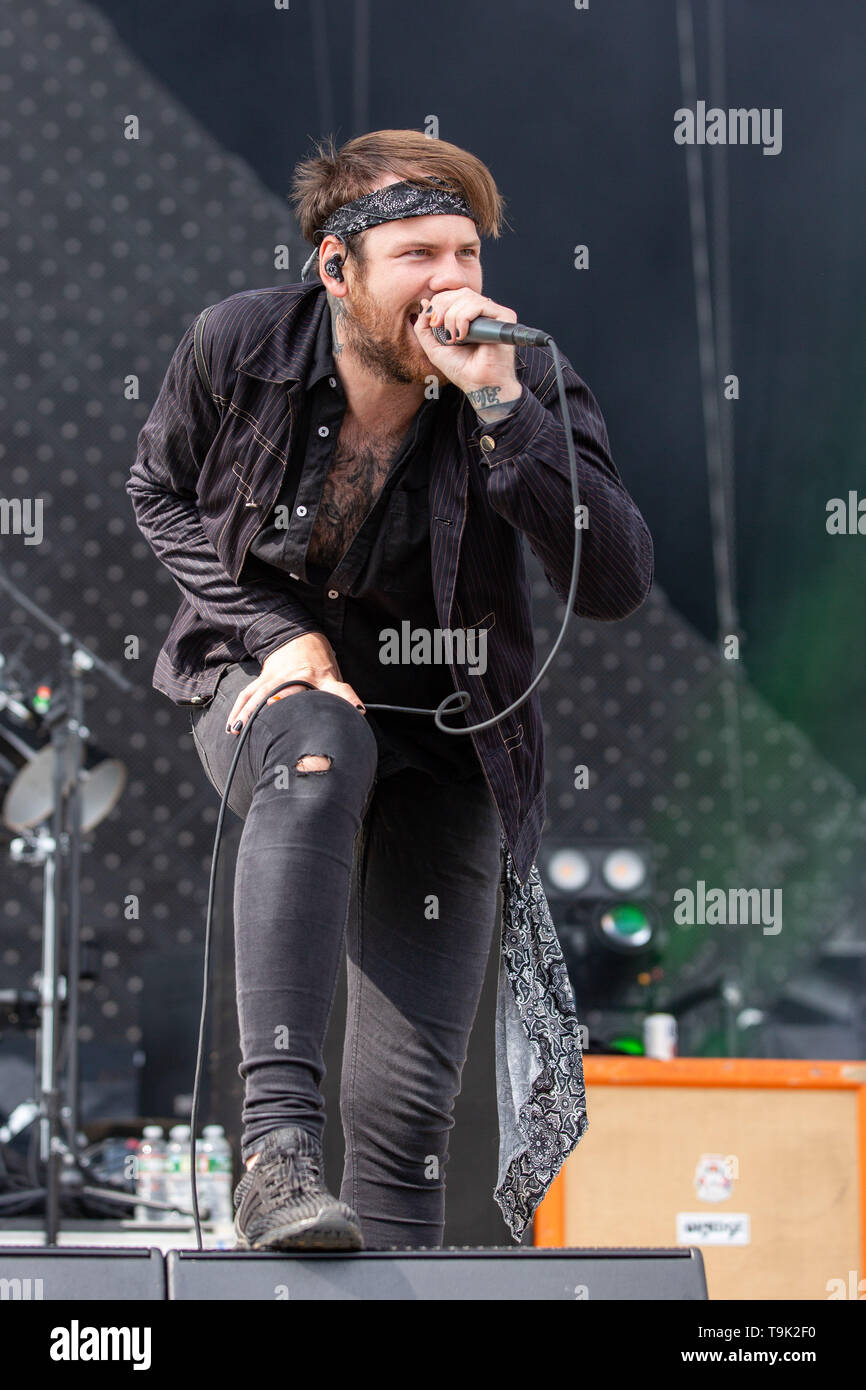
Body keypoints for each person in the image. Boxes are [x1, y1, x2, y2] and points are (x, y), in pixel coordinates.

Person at [126, 128, 654, 1251]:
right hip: (271, 684)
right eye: (418, 252)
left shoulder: (522, 375)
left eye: (466, 252)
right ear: (335, 267)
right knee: (320, 746)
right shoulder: (238, 343)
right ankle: (272, 1154)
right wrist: (275, 634)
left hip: (450, 732)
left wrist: (507, 412)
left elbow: (610, 579)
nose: (453, 282)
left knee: (408, 1111)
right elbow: (157, 491)